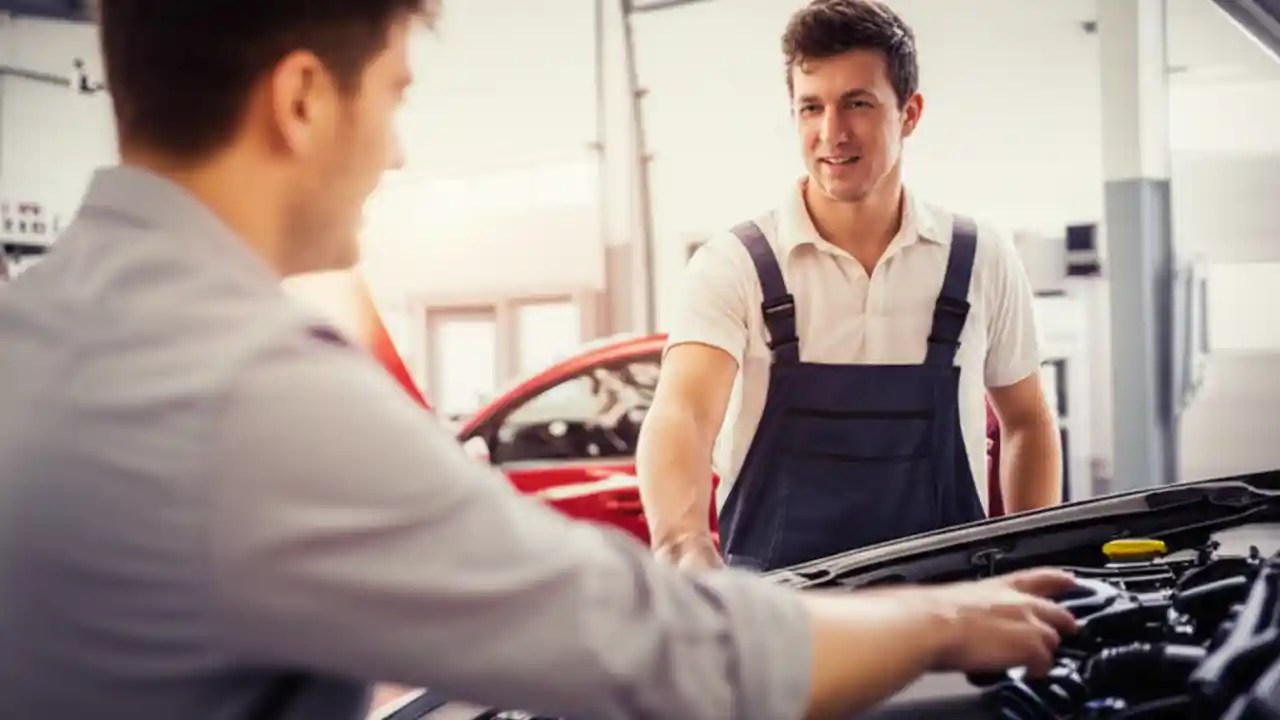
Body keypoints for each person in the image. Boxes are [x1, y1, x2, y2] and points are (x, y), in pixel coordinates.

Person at [0, 2, 1078, 719]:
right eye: (395, 95)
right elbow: (634, 641)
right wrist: (941, 622)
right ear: (300, 100)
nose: (400, 149)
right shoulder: (258, 396)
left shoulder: (32, 332)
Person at [637, 0, 1063, 574]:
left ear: (909, 114)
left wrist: (1029, 564)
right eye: (811, 108)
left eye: (857, 104)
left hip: (952, 617)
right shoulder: (735, 264)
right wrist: (682, 543)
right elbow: (683, 413)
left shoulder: (980, 258)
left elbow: (1027, 421)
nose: (831, 133)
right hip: (782, 619)